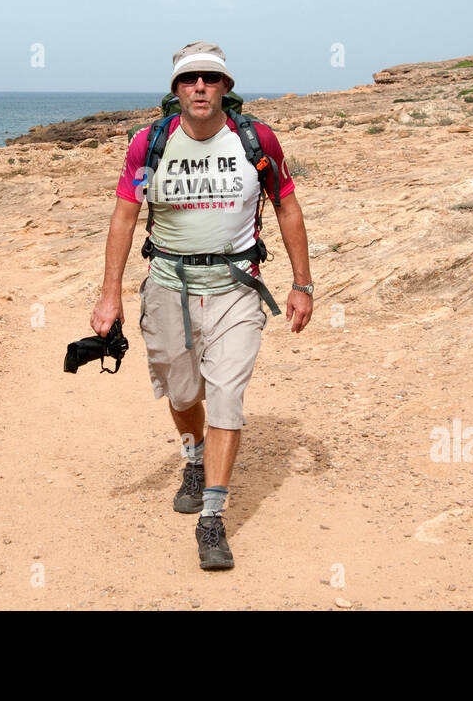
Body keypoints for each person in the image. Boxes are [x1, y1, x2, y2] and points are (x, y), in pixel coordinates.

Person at [90, 40, 313, 571]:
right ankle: (192, 457)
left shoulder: (255, 140)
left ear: (226, 87)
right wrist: (109, 294)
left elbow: (287, 208)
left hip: (237, 287)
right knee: (182, 388)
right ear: (175, 89)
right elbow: (124, 217)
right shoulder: (151, 144)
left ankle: (212, 517)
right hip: (168, 285)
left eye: (211, 78)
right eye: (190, 79)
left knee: (228, 395)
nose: (200, 87)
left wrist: (303, 284)